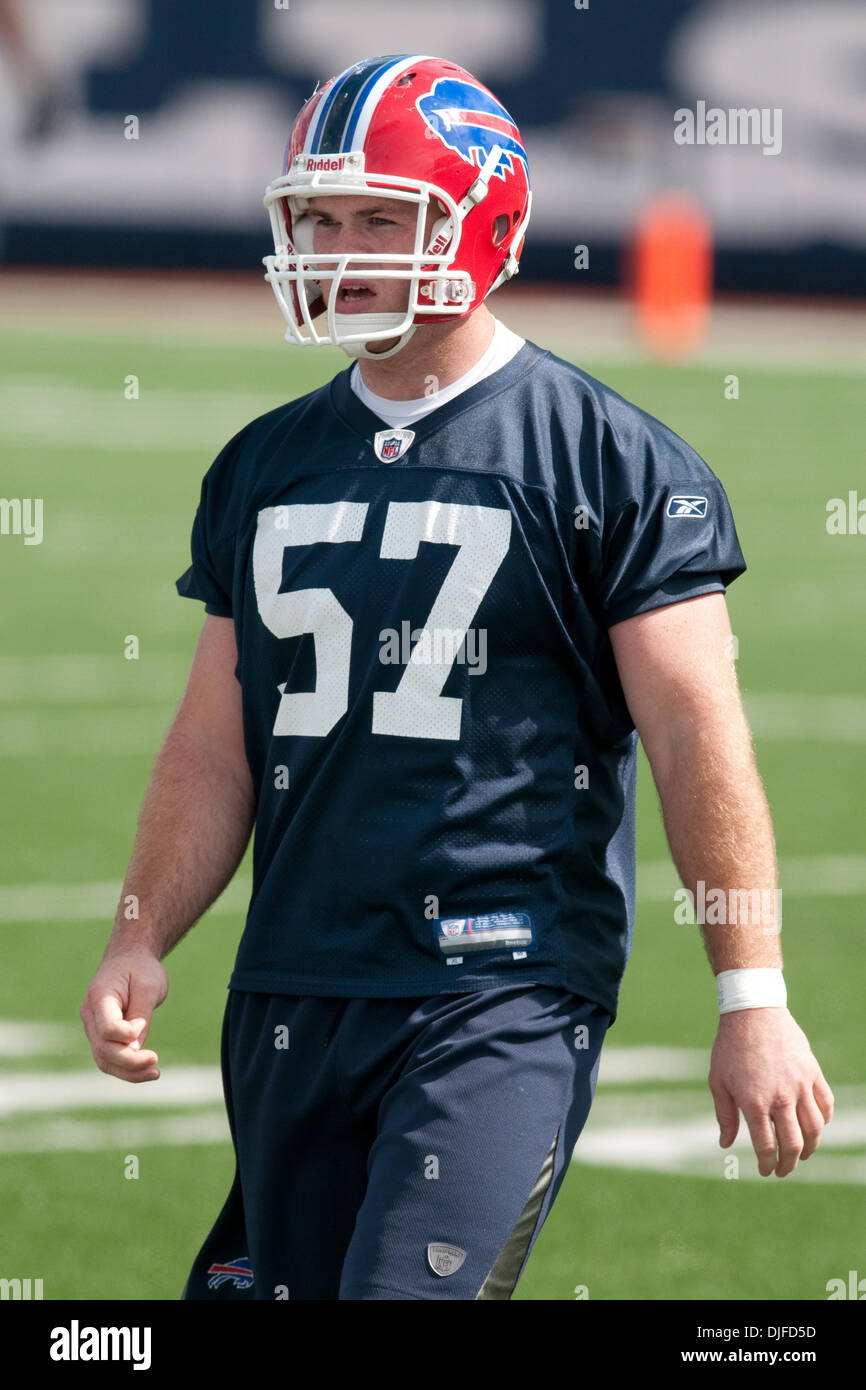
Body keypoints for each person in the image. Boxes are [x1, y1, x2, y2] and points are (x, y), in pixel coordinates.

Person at [80, 54, 834, 1302]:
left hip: (497, 987)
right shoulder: (264, 462)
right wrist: (139, 934)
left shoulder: (609, 459)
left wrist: (749, 997)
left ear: (478, 221)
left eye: (381, 215)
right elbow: (216, 740)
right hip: (293, 981)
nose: (342, 245)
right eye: (322, 215)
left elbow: (699, 739)